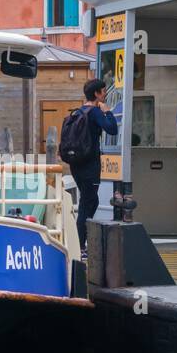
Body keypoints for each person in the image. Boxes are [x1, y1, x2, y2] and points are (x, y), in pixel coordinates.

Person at [67, 78, 117, 256]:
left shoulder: (78, 111)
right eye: (103, 91)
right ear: (96, 94)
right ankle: (79, 246)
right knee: (87, 203)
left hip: (76, 165)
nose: (105, 94)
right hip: (90, 165)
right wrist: (108, 112)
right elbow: (112, 129)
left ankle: (81, 241)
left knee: (91, 201)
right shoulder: (95, 112)